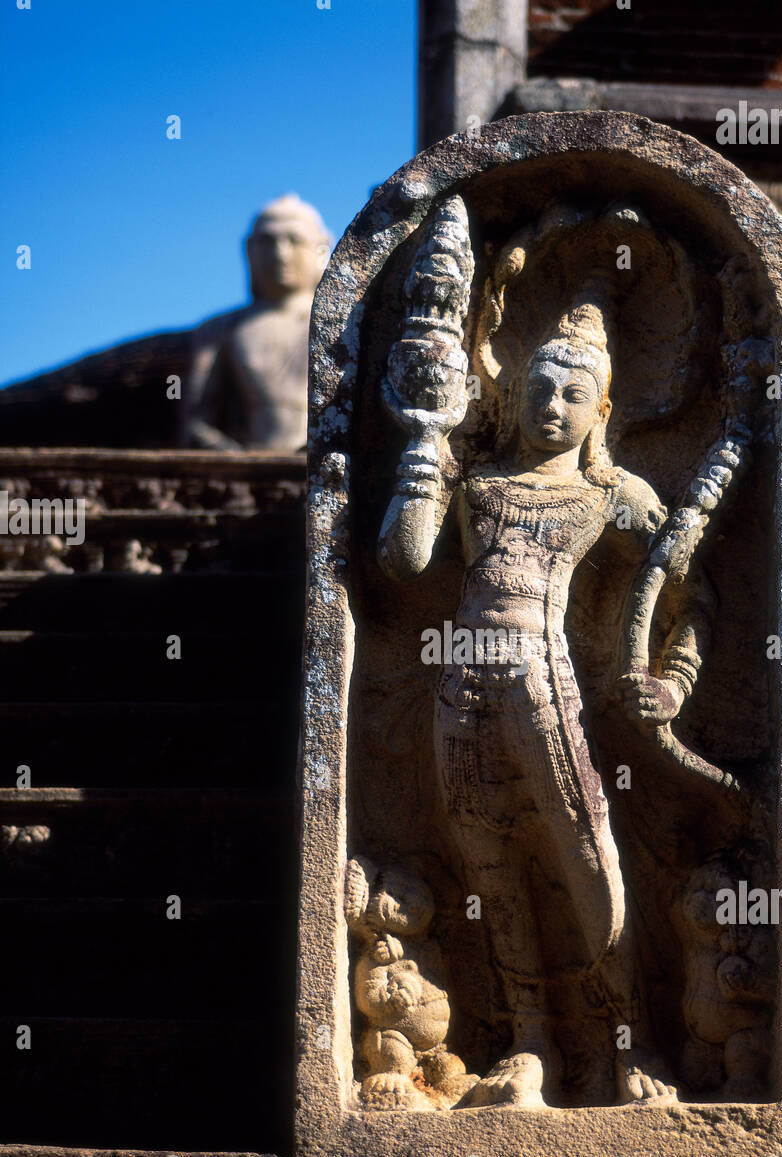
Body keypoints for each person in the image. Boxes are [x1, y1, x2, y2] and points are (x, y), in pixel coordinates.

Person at [378, 283, 713, 1107]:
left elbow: (692, 597)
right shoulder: (478, 486)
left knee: (586, 855)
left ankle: (630, 1043)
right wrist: (424, 446)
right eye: (536, 391)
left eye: (570, 395)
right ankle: (529, 1045)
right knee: (489, 860)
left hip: (542, 678)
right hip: (462, 683)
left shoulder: (613, 495)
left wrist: (673, 681)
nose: (551, 407)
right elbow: (403, 561)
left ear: (602, 409)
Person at [184, 194, 330, 451]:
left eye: (294, 241)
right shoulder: (219, 330)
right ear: (249, 250)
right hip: (246, 470)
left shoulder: (342, 325)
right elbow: (195, 419)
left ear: (322, 250)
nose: (280, 254)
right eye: (267, 241)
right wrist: (233, 457)